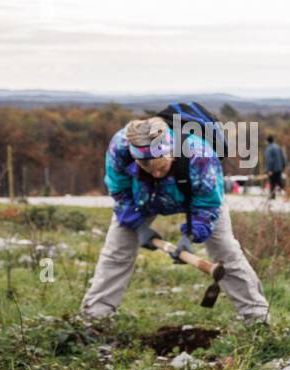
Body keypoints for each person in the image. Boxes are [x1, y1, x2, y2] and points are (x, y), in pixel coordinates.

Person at [81, 116, 270, 324]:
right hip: (142, 201)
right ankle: (95, 318)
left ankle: (257, 318)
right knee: (117, 251)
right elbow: (119, 191)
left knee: (225, 250)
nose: (157, 174)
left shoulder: (199, 155)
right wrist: (138, 226)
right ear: (136, 160)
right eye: (148, 170)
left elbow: (208, 205)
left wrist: (190, 235)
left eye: (162, 168)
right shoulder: (120, 149)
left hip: (196, 200)